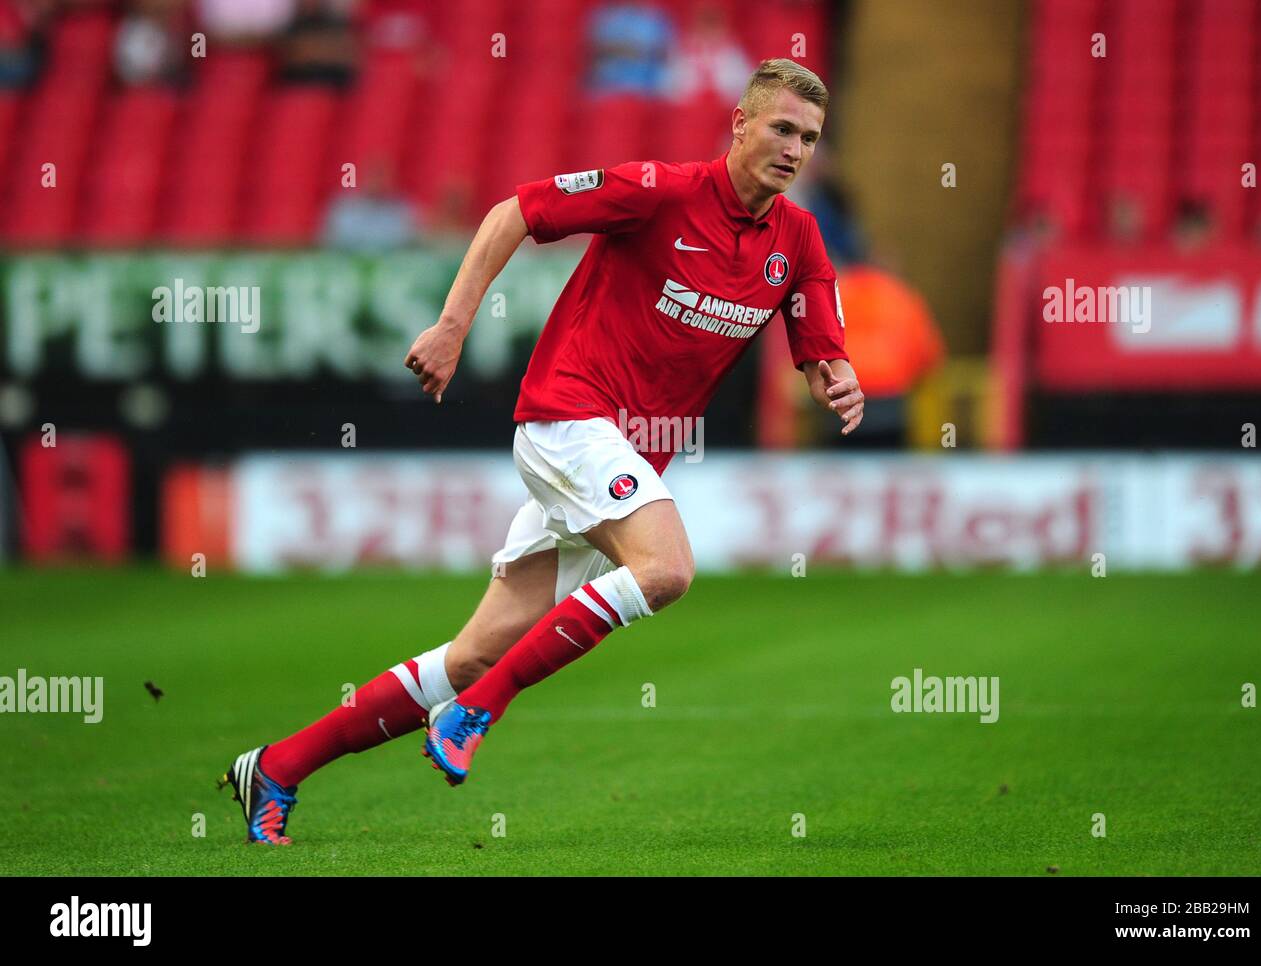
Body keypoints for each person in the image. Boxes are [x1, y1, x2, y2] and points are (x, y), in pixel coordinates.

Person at [219, 58, 864, 844]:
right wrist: (452, 325)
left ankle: (278, 767)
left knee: (469, 655)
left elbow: (822, 351)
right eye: (782, 128)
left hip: (621, 460)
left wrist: (839, 383)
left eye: (809, 138)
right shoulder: (659, 190)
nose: (795, 149)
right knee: (665, 570)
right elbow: (513, 212)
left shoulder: (797, 239)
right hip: (567, 417)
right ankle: (480, 712)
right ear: (740, 122)